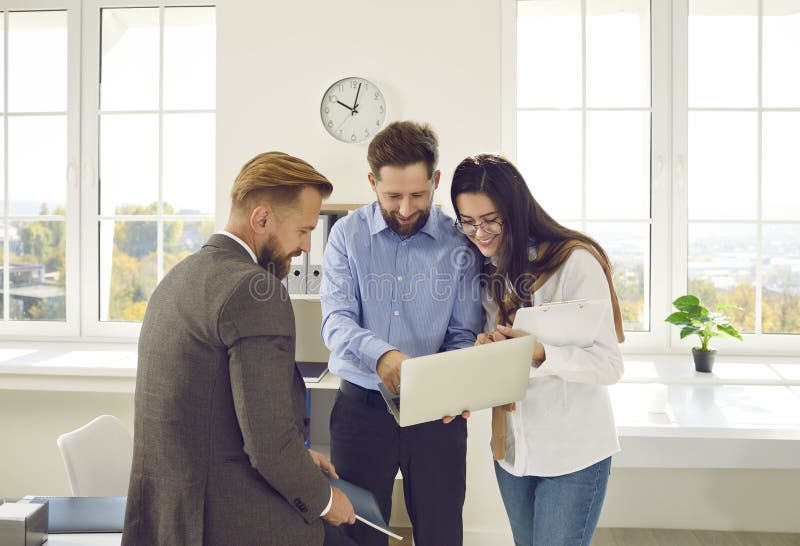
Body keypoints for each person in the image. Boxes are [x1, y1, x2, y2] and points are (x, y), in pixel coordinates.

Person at [123, 152, 357, 546]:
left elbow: (217, 411)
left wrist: (297, 461)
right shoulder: (256, 292)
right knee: (350, 530)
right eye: (302, 230)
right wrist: (323, 500)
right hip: (225, 516)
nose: (305, 246)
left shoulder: (179, 277)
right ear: (262, 219)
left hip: (167, 515)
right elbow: (268, 448)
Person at [320, 121, 483, 546]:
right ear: (372, 182)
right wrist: (382, 356)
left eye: (418, 194)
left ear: (436, 181)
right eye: (393, 196)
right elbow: (336, 320)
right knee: (355, 533)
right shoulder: (345, 237)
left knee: (441, 531)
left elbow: (463, 332)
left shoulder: (460, 243)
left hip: (436, 413)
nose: (406, 209)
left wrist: (452, 383)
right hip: (361, 409)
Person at [449, 153, 625, 546]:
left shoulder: (573, 262)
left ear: (517, 210)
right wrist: (487, 351)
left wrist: (541, 354)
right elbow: (499, 362)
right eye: (469, 222)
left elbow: (610, 365)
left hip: (574, 456)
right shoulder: (486, 270)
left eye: (491, 219)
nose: (480, 232)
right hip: (513, 452)